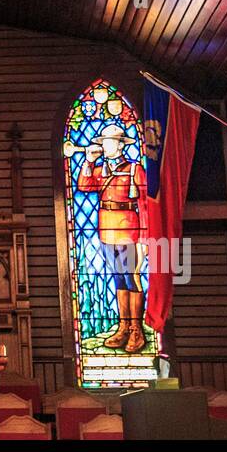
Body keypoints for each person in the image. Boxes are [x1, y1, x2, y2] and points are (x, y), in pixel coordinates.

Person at [77, 124, 149, 354]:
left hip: (129, 228)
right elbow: (83, 185)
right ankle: (123, 326)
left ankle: (137, 329)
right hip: (106, 229)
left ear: (119, 145)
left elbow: (145, 203)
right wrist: (88, 162)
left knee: (132, 277)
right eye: (103, 142)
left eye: (109, 142)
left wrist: (145, 237)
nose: (104, 146)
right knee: (118, 278)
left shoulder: (133, 169)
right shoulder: (100, 170)